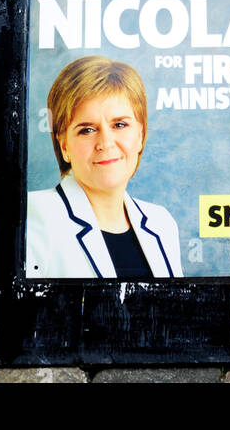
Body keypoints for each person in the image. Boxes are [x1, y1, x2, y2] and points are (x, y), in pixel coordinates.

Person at [26, 56, 183, 279]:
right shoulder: (35, 216)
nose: (106, 143)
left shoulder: (161, 223)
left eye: (120, 125)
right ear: (64, 147)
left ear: (140, 135)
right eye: (87, 130)